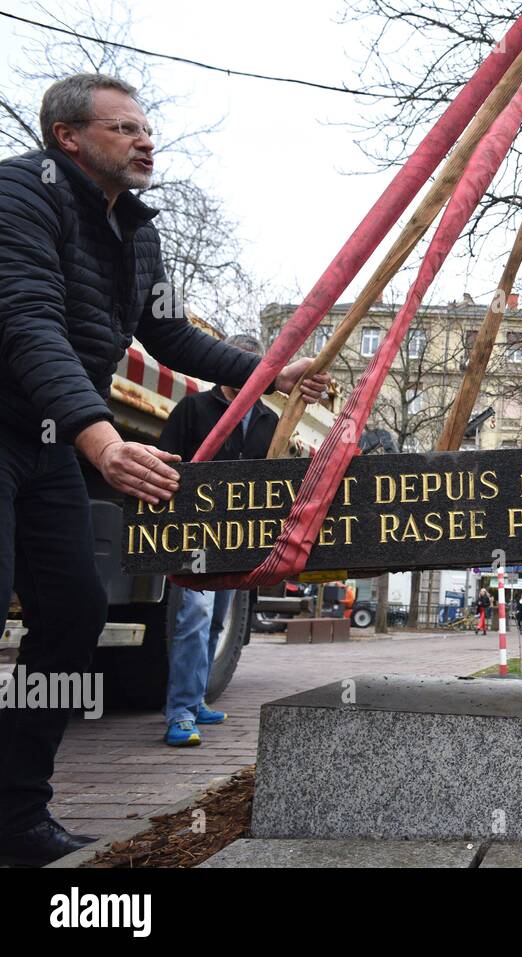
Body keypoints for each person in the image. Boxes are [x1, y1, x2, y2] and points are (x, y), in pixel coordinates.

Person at [0, 73, 328, 866]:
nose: (146, 141)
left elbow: (172, 336)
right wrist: (102, 438)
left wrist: (269, 372)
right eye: (124, 129)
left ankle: (16, 815)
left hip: (46, 446)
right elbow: (27, 320)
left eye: (148, 129)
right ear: (68, 137)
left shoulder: (139, 231)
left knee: (76, 612)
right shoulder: (20, 194)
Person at [157, 334, 276, 748]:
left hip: (239, 540)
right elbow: (167, 459)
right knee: (195, 617)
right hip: (195, 537)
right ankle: (181, 713)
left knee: (218, 620)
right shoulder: (193, 408)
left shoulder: (267, 419)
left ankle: (199, 696)